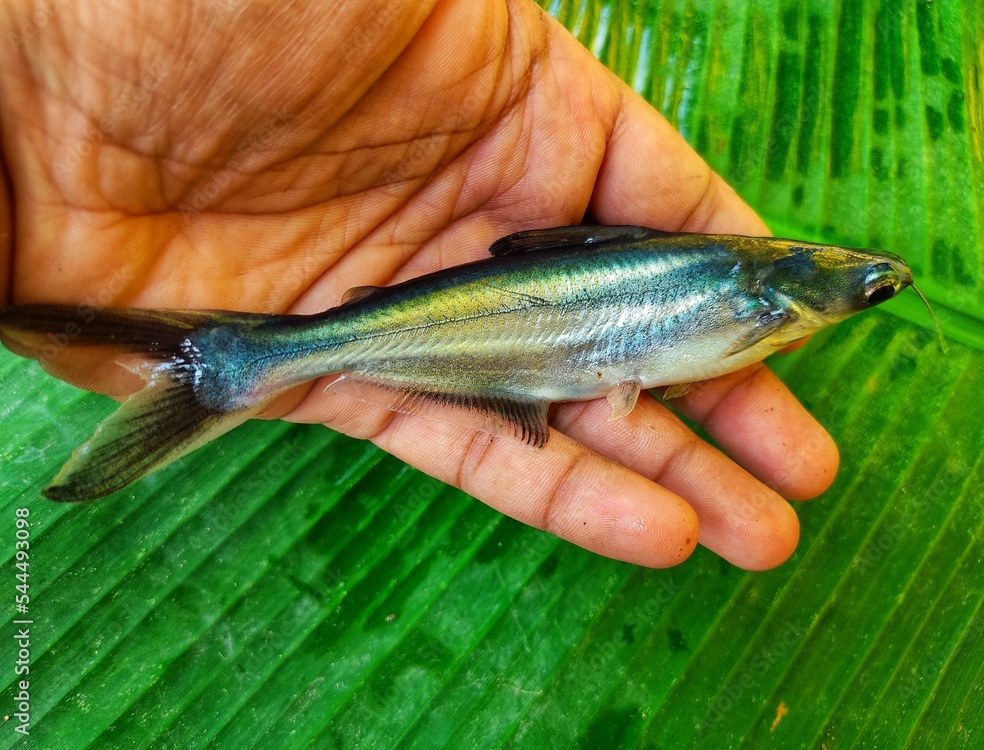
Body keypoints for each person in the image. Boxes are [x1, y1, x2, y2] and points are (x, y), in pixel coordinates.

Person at [0, 0, 837, 569]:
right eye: (865, 288)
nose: (868, 285)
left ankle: (242, 361)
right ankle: (238, 362)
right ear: (782, 293)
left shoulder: (745, 276)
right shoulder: (747, 287)